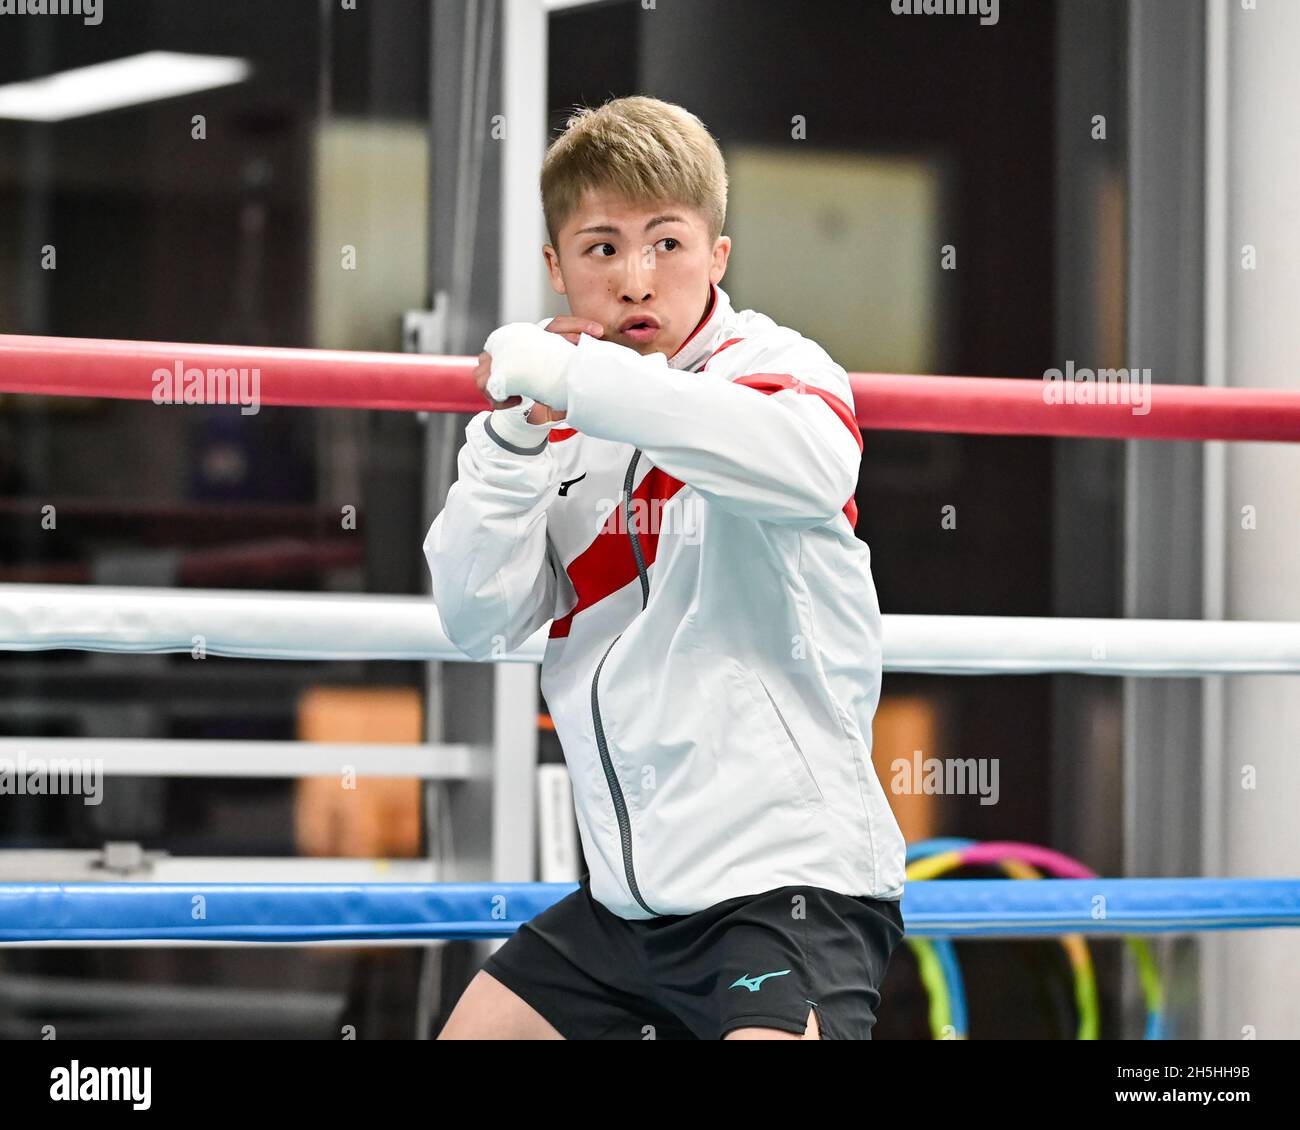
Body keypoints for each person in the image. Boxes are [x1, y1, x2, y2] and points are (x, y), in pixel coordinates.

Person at [424, 95, 905, 1040]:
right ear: (558, 267)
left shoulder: (775, 370)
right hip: (625, 903)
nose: (637, 278)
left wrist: (583, 383)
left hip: (781, 886)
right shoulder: (553, 428)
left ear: (717, 257)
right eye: (602, 248)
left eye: (668, 244)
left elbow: (810, 468)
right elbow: (473, 615)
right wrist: (517, 437)